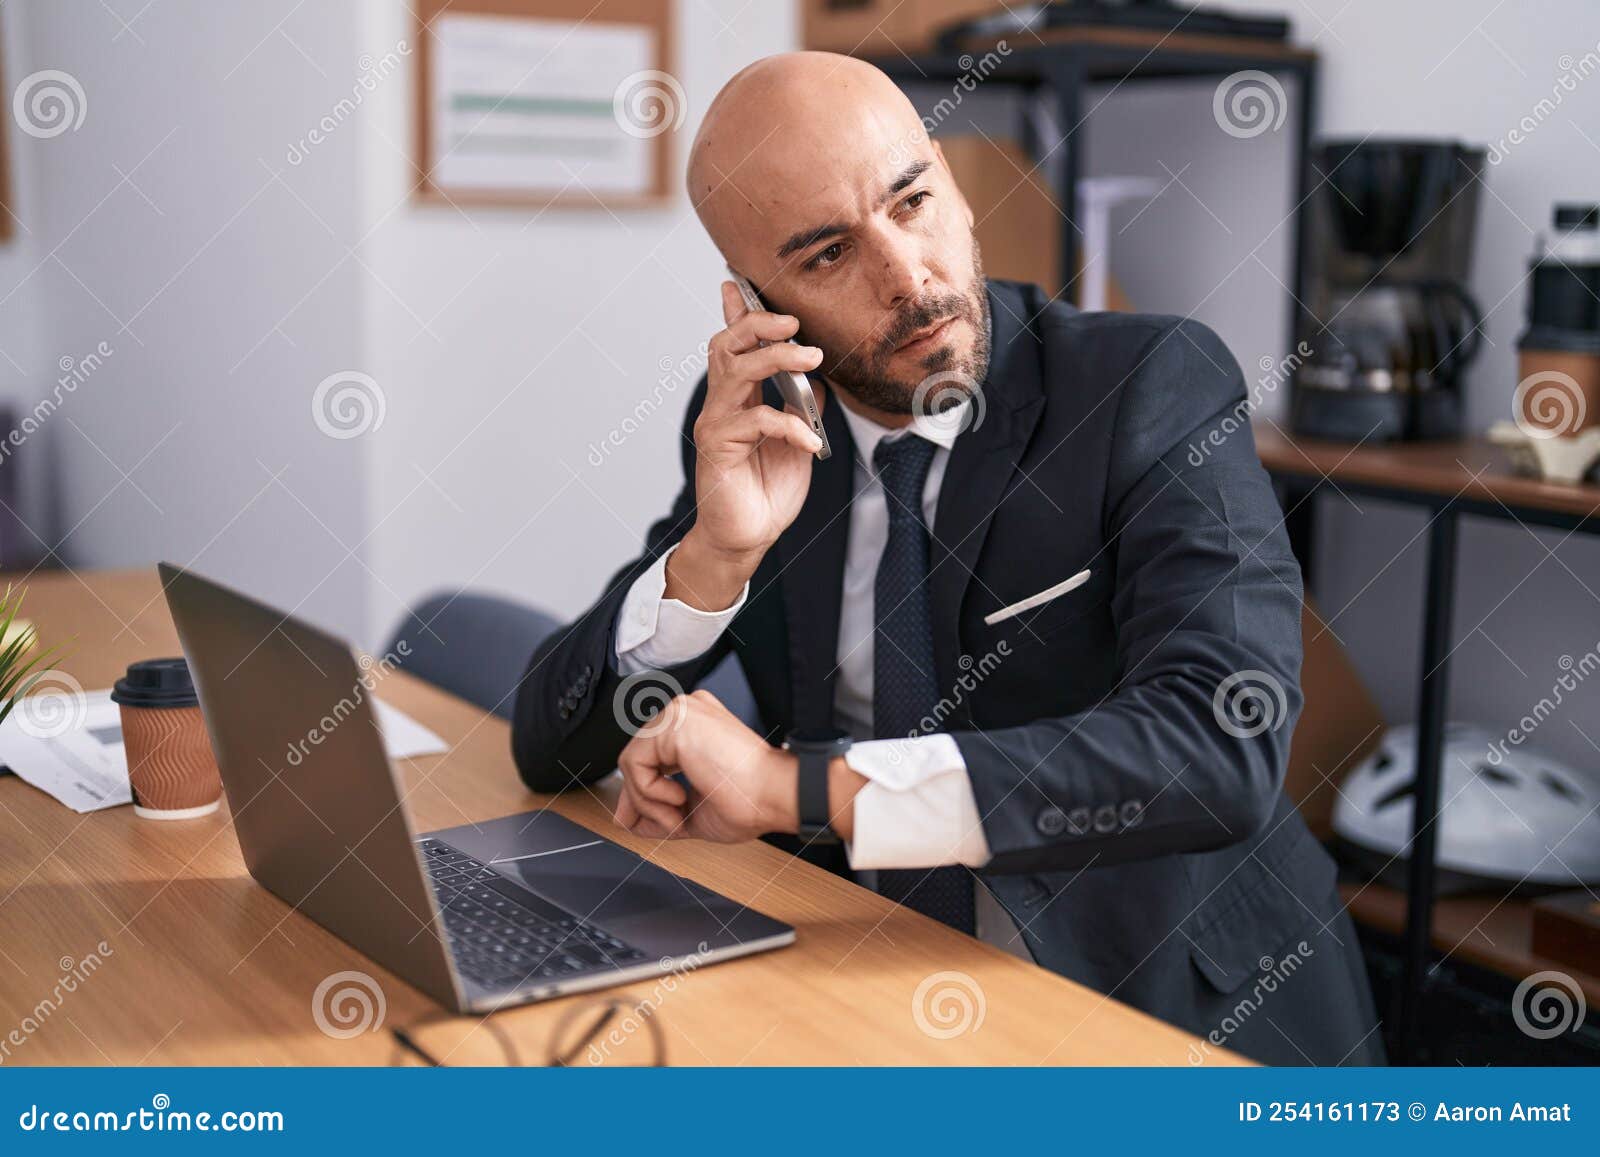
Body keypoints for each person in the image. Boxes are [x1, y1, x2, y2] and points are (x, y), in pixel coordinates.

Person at [512, 51, 1382, 1066]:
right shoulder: (764, 437)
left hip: (1154, 1002)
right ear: (756, 307)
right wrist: (712, 555)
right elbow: (547, 745)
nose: (909, 277)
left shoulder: (1147, 385)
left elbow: (1218, 748)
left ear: (958, 194)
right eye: (830, 253)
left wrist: (797, 788)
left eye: (911, 201)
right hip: (865, 980)